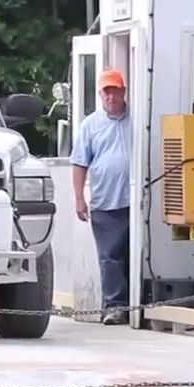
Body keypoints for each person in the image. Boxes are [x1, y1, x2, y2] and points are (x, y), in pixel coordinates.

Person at [71, 68, 132, 326]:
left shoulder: (138, 119)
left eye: (114, 91)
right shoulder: (91, 124)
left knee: (135, 255)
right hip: (105, 201)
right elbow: (79, 163)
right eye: (106, 92)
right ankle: (115, 306)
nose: (110, 96)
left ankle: (138, 304)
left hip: (136, 202)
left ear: (123, 92)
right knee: (110, 257)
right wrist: (79, 199)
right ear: (100, 94)